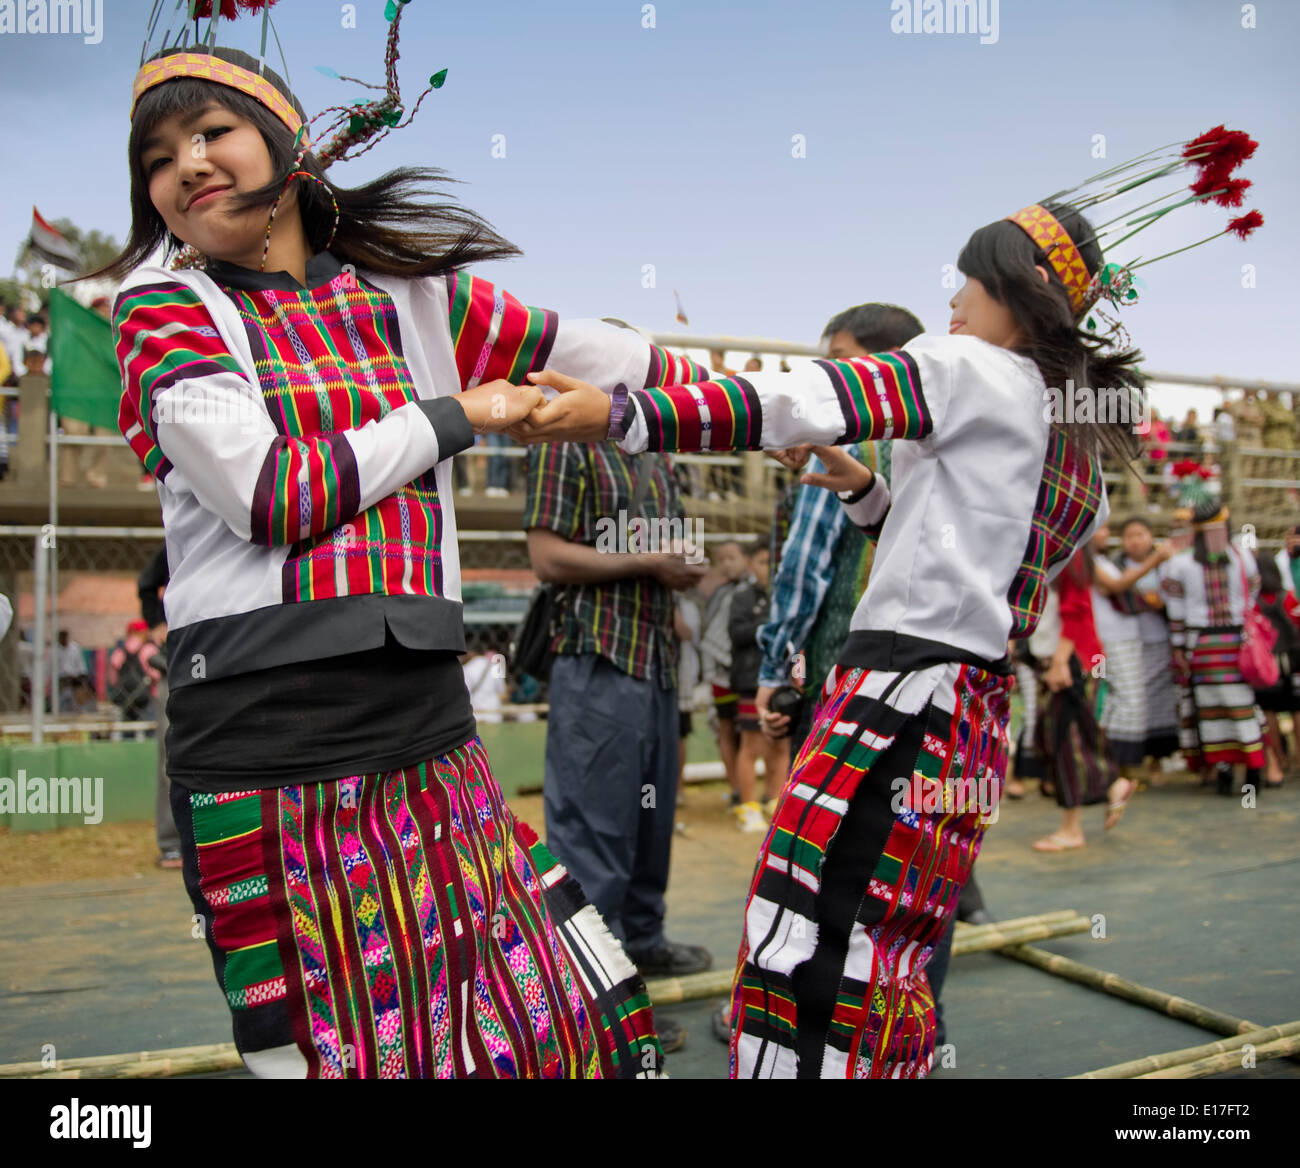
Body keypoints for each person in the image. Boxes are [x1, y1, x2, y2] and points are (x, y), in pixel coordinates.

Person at [88, 28, 729, 1077]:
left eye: (211, 131)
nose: (186, 166)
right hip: (263, 739)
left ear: (285, 143)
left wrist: (785, 402)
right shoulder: (165, 309)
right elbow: (268, 493)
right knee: (320, 1042)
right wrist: (459, 412)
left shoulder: (412, 296)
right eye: (156, 159)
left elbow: (605, 351)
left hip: (424, 727)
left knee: (524, 1019)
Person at [510, 192, 1151, 1077]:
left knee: (816, 946)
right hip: (967, 717)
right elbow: (963, 562)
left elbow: (811, 396)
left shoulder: (971, 368)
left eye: (971, 277)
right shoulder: (1078, 444)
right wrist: (863, 487)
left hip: (899, 702)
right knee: (891, 954)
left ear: (1024, 289)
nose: (955, 299)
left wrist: (626, 416)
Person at [523, 433, 712, 1033]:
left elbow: (670, 546)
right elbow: (547, 557)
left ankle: (642, 943)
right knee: (594, 835)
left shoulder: (656, 456)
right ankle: (595, 1005)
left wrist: (684, 560)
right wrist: (650, 561)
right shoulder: (567, 444)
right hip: (598, 659)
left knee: (649, 825)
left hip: (652, 660)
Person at [757, 302, 924, 755]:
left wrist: (776, 670)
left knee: (818, 818)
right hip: (921, 683)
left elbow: (804, 568)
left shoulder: (844, 442)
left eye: (839, 358)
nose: (828, 373)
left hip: (839, 677)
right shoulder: (939, 442)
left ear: (888, 361)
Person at [1162, 497, 1266, 795]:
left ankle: (1224, 772)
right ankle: (1252, 773)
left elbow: (1176, 609)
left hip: (1203, 645)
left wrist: (1180, 647)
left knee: (1212, 710)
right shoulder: (1242, 557)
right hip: (1234, 644)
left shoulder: (1180, 563)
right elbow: (1252, 595)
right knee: (1241, 707)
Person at [1088, 522, 1177, 785]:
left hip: (1126, 638)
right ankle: (1115, 768)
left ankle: (1120, 768)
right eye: (1101, 529)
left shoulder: (1102, 559)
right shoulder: (1086, 560)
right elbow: (1114, 586)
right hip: (1108, 640)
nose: (1106, 534)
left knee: (1125, 700)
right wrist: (1155, 560)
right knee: (1123, 700)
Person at [728, 545, 788, 828]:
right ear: (752, 563)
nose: (769, 568)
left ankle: (774, 799)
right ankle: (748, 806)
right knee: (751, 745)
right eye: (763, 561)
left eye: (773, 562)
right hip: (752, 680)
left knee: (781, 742)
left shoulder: (787, 596)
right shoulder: (741, 598)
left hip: (785, 681)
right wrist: (769, 627)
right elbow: (737, 634)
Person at [699, 540, 749, 818]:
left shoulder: (756, 590)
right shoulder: (719, 593)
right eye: (722, 559)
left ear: (746, 558)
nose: (726, 563)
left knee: (751, 734)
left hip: (747, 671)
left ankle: (753, 790)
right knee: (726, 728)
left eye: (732, 557)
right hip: (721, 674)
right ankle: (736, 790)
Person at [1251, 556, 1300, 788]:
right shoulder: (1289, 598)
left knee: (1269, 710)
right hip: (1293, 659)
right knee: (1296, 710)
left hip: (1266, 663)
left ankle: (1278, 760)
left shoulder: (1254, 603)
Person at [107, 619, 161, 724]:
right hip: (147, 697)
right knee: (149, 731)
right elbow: (156, 675)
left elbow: (113, 679)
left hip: (125, 697)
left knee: (127, 731)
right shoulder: (149, 649)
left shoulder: (120, 650)